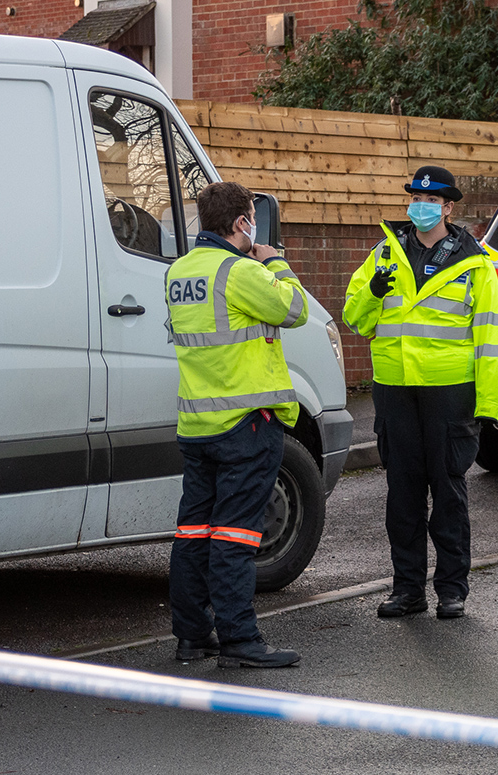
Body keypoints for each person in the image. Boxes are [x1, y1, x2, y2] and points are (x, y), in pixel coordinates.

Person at [343, 165, 498, 620]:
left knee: (449, 492)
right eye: (416, 198)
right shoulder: (384, 254)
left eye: (431, 201)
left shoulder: (475, 263)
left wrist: (487, 403)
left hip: (449, 392)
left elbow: (490, 336)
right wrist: (372, 294)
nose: (421, 206)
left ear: (448, 207)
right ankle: (407, 589)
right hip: (395, 390)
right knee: (403, 494)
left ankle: (452, 589)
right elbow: (356, 320)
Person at [165, 181, 308, 667]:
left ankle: (192, 636)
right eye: (252, 217)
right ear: (242, 222)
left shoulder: (179, 272)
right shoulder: (241, 270)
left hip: (198, 424)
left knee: (193, 534)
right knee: (235, 536)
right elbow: (295, 309)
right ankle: (240, 642)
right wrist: (274, 262)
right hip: (244, 425)